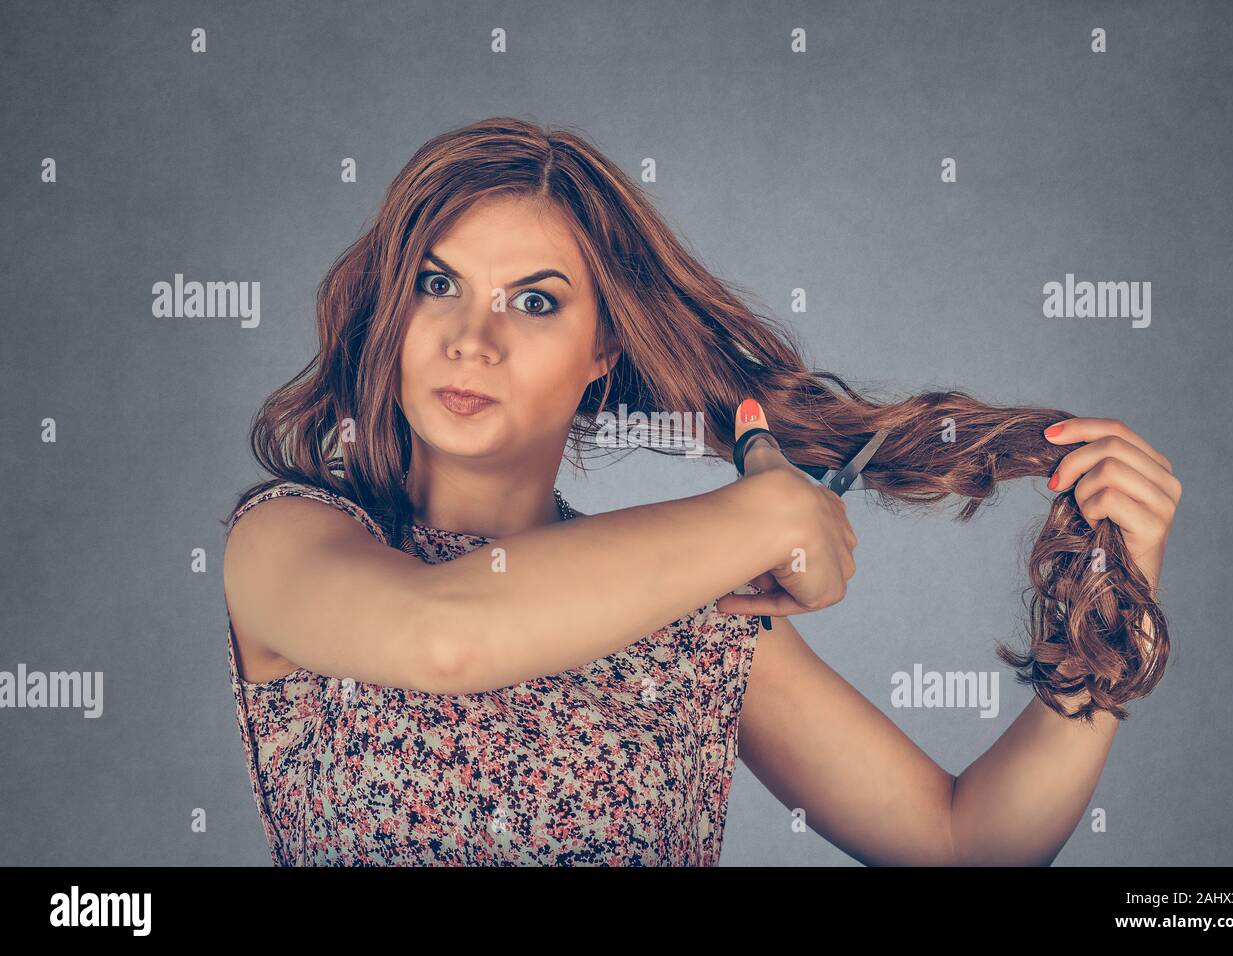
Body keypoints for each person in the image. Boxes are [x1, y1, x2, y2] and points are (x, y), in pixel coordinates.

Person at [221, 116, 1181, 866]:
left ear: (605, 350)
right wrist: (763, 511)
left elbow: (963, 844)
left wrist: (1113, 616)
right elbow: (445, 636)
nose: (473, 337)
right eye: (439, 283)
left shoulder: (692, 602)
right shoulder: (292, 539)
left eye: (536, 300)